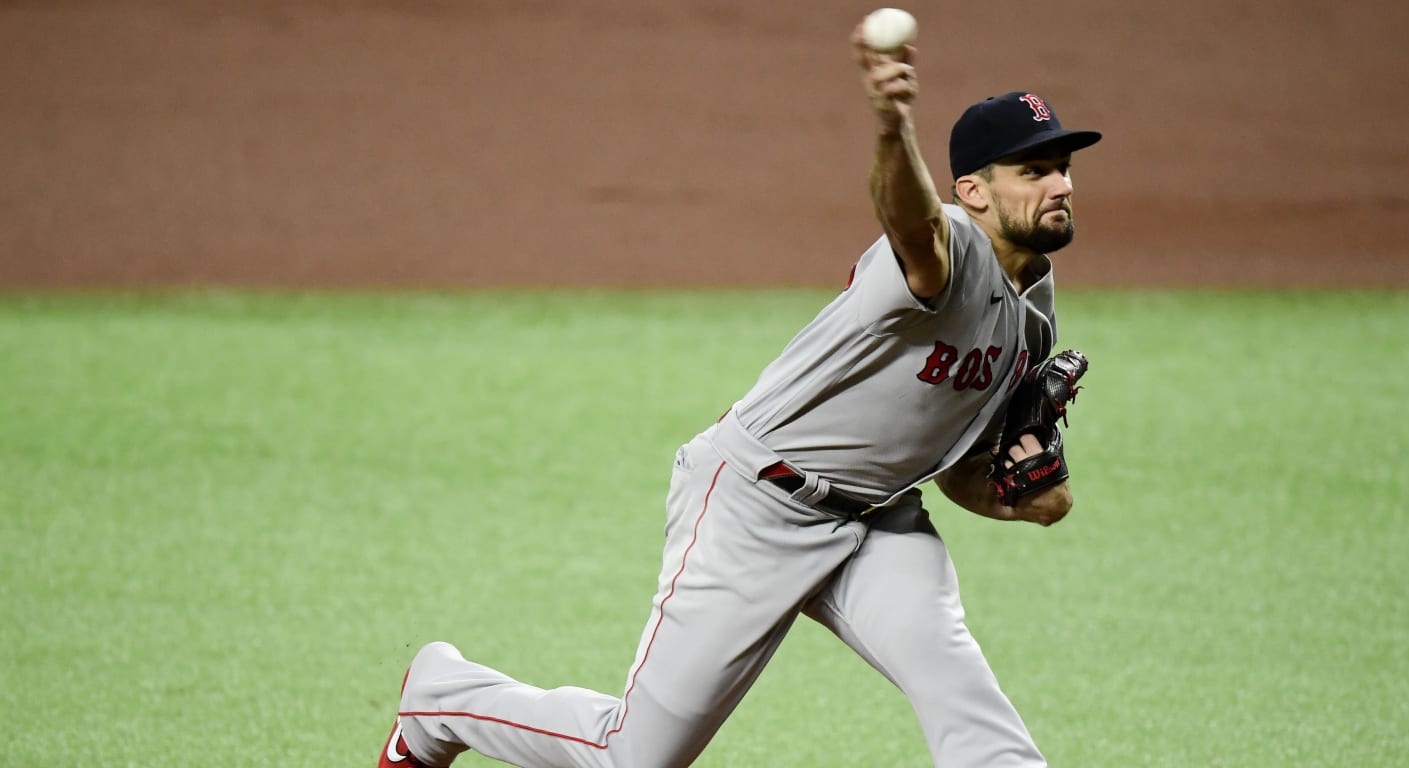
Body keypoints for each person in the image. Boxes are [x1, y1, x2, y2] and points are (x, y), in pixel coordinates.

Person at [378, 20, 1101, 768]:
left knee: (969, 707)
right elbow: (910, 221)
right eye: (1035, 171)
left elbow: (959, 470)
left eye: (1063, 169)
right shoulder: (946, 251)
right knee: (636, 757)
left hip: (881, 524)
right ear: (973, 191)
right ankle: (440, 699)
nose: (1062, 185)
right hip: (756, 503)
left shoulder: (1035, 316)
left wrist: (1030, 497)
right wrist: (892, 125)